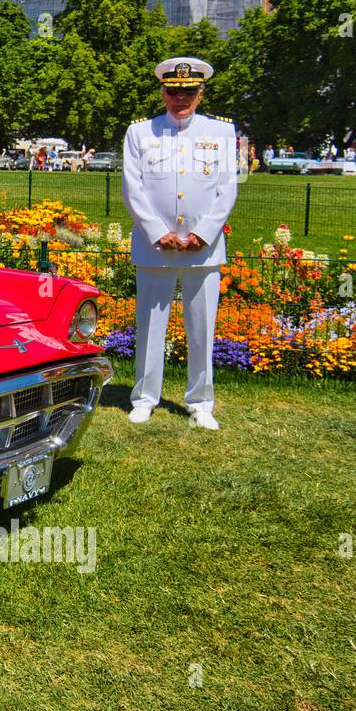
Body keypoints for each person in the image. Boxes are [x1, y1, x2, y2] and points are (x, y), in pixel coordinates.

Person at [122, 57, 238, 431]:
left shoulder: (221, 132)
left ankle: (201, 403)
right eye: (173, 91)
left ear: (200, 93)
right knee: (150, 325)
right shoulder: (140, 133)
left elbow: (227, 188)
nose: (179, 98)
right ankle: (144, 398)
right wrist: (158, 232)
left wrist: (204, 232)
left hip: (203, 248)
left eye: (188, 91)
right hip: (155, 246)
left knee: (202, 328)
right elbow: (133, 188)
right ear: (162, 92)